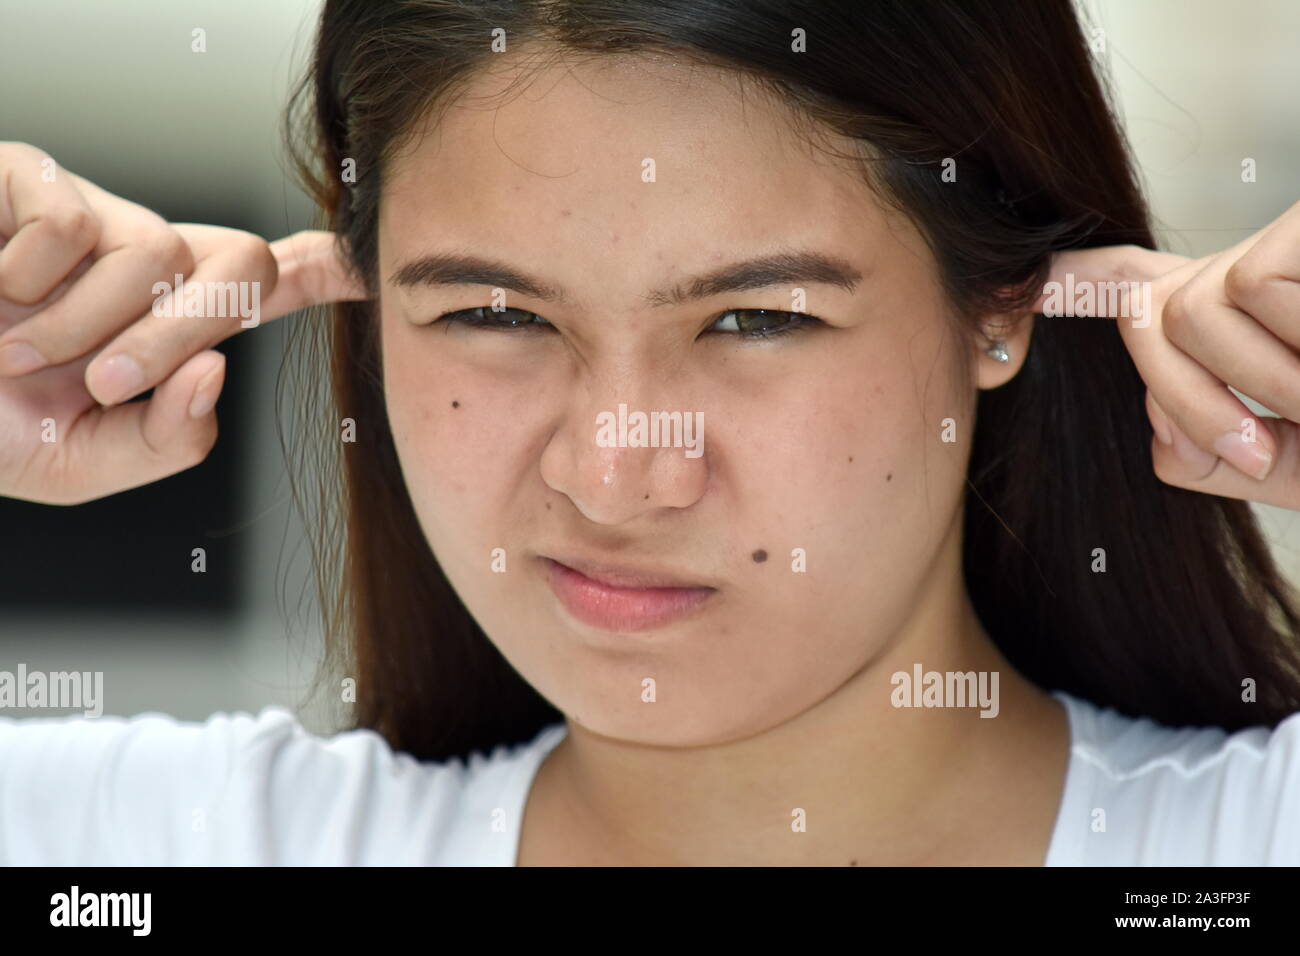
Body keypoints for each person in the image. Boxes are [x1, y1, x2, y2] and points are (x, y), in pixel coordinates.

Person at [1, 0, 1298, 866]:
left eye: (756, 320)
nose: (614, 475)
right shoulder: (157, 848)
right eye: (495, 313)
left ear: (1001, 309)